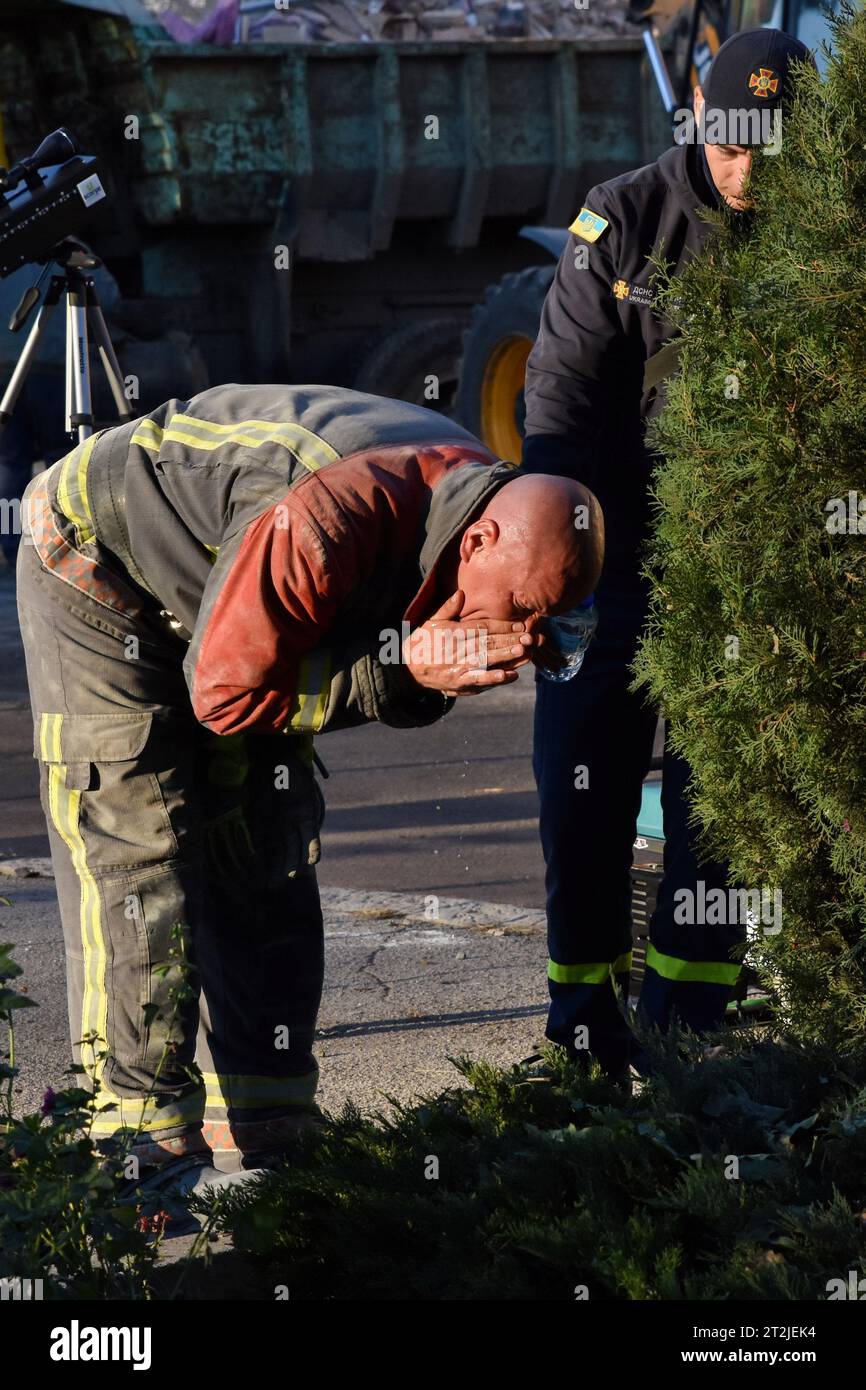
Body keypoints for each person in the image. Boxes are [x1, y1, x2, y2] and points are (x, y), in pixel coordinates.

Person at [16, 381, 601, 1203]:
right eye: (522, 608)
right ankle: (137, 1148)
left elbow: (298, 671)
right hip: (98, 567)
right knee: (143, 843)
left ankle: (268, 1124)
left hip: (234, 604)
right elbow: (223, 696)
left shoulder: (470, 509)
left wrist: (415, 664)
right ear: (482, 541)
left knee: (267, 837)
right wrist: (403, 666)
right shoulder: (327, 517)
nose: (518, 635)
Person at [520, 29, 815, 1079]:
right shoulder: (621, 219)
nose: (746, 173)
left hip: (741, 575)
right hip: (615, 560)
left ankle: (692, 1030)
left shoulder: (818, 235)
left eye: (769, 152)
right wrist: (557, 547)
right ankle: (580, 1024)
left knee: (722, 802)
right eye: (731, 146)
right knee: (581, 784)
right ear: (696, 103)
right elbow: (556, 393)